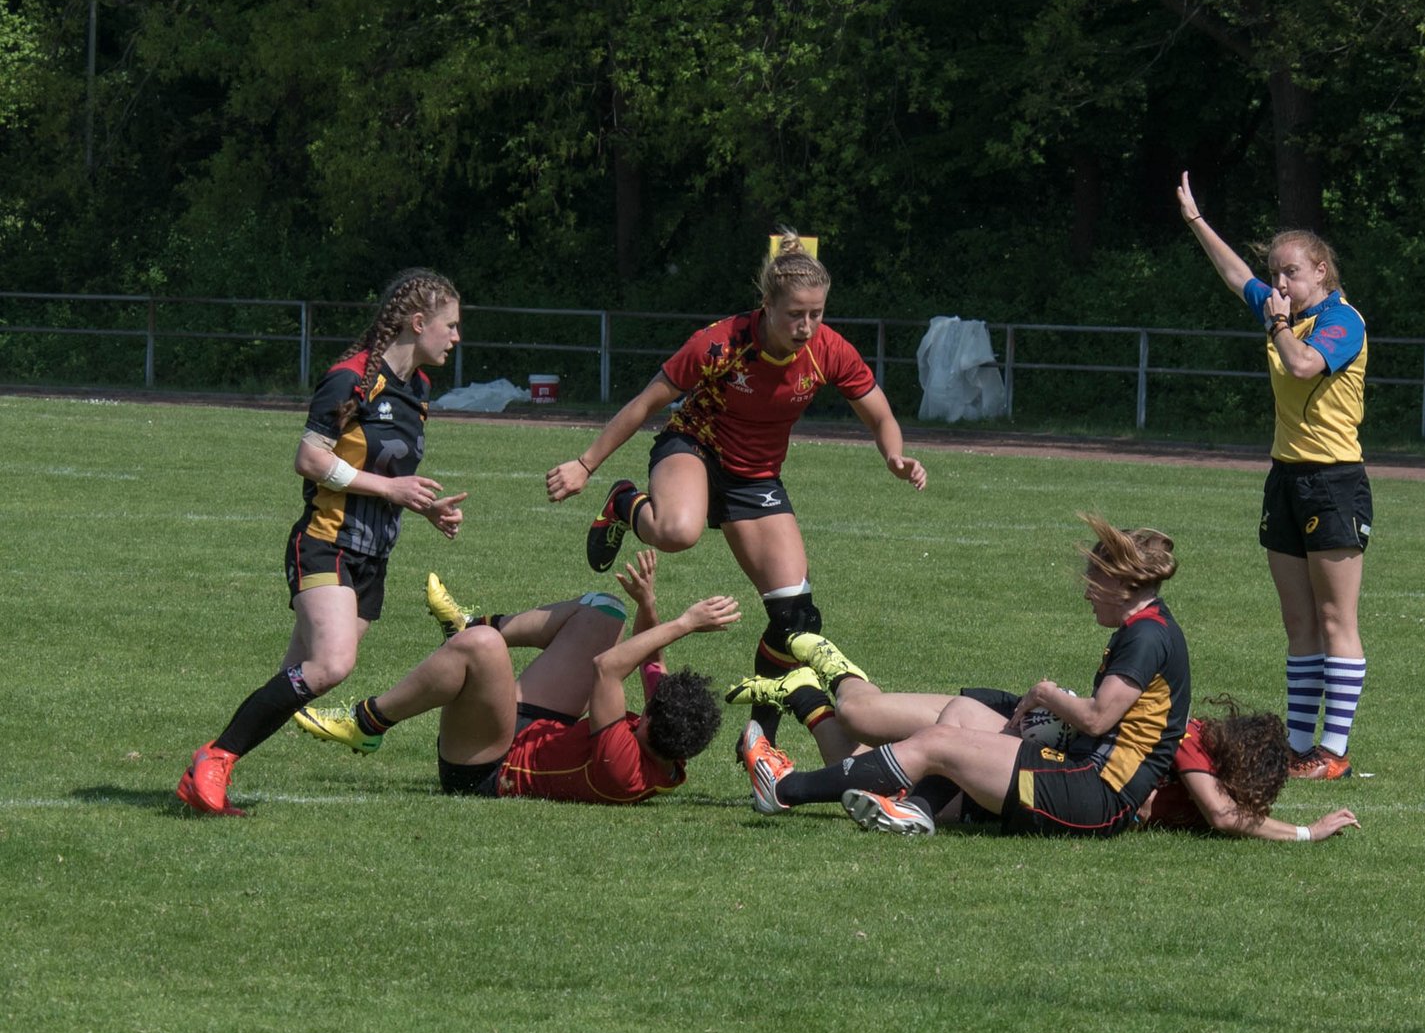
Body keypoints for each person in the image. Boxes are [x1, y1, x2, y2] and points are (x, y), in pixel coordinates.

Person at [543, 230, 926, 764]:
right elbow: (643, 403)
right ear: (766, 305)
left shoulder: (827, 350)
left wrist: (894, 455)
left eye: (816, 313)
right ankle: (625, 502)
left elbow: (879, 412)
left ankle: (759, 737)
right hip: (693, 447)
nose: (807, 326)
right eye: (795, 313)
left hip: (755, 479)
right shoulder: (720, 344)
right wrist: (585, 464)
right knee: (679, 531)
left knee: (797, 619)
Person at [177, 268, 468, 816]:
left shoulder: (418, 390)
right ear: (418, 321)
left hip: (373, 556)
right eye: (450, 326)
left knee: (300, 679)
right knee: (332, 664)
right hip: (325, 541)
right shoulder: (352, 378)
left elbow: (381, 468)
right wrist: (390, 487)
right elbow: (309, 460)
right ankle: (213, 758)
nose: (456, 337)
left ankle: (209, 770)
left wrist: (425, 506)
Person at [739, 514, 1191, 838]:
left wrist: (1047, 693)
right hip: (1081, 775)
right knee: (957, 715)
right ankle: (916, 808)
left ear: (1121, 582)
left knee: (937, 743)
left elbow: (1095, 719)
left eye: (1094, 577)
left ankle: (784, 790)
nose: (1087, 591)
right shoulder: (1145, 627)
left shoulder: (1147, 636)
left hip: (1093, 794)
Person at [1176, 172, 1370, 781]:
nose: (1279, 282)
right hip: (1285, 478)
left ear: (1322, 275)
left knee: (1337, 620)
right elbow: (1237, 276)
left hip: (1334, 481)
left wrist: (1280, 324)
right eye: (1276, 272)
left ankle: (1332, 753)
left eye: (1291, 272)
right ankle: (1296, 747)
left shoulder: (1340, 321)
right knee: (1298, 622)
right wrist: (1197, 221)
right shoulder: (1282, 309)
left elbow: (1305, 365)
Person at [293, 551, 739, 803]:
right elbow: (651, 661)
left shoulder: (622, 767)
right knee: (605, 611)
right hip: (538, 732)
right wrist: (648, 603)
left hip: (486, 767)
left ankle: (368, 723)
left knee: (484, 647)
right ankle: (468, 621)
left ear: (645, 726)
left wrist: (685, 623)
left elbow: (609, 667)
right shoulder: (668, 749)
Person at [1135, 699, 1360, 842]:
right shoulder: (1191, 739)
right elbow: (1223, 816)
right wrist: (1308, 832)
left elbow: (1236, 816)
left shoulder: (1216, 791)